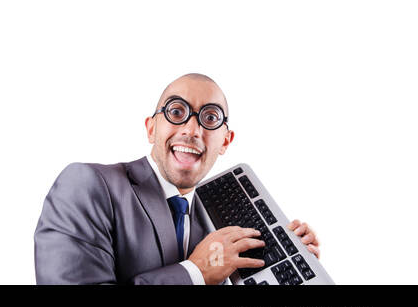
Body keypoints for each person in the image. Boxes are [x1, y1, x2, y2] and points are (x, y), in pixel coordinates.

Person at [34, 73, 321, 285]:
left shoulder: (218, 220)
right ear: (151, 129)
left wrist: (287, 265)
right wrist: (195, 272)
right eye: (176, 112)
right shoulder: (86, 185)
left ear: (225, 142)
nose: (192, 129)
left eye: (210, 118)